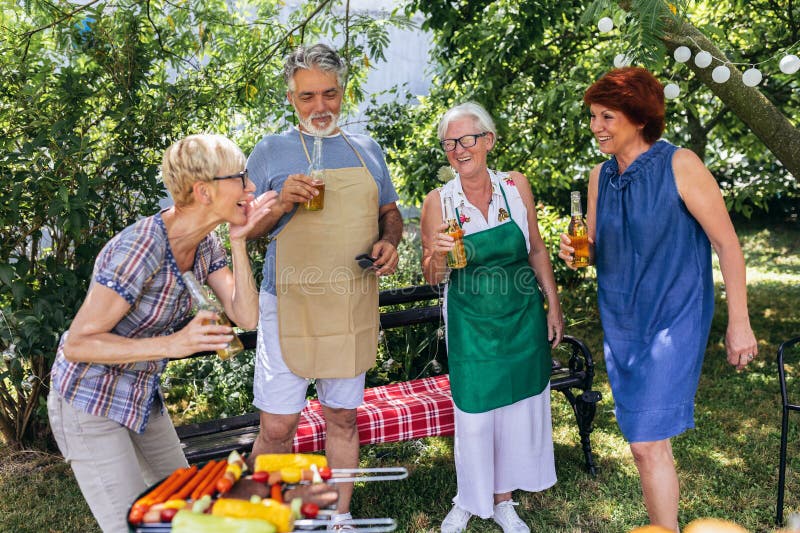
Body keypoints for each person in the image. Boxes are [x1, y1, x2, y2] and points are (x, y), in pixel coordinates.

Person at [559, 67, 758, 531]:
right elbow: (593, 247)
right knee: (641, 442)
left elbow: (728, 244)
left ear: (639, 117)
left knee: (648, 443)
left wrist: (739, 322)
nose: (596, 127)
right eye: (592, 117)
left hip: (675, 315)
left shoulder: (680, 164)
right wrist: (575, 254)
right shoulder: (599, 177)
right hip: (623, 320)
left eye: (607, 117)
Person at [47, 134, 277, 532]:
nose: (251, 187)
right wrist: (173, 344)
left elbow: (246, 316)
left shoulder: (205, 244)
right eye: (241, 177)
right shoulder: (140, 250)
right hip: (89, 403)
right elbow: (79, 344)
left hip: (139, 394)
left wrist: (238, 243)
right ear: (203, 191)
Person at [246, 43, 403, 530]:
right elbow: (242, 231)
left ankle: (338, 517)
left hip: (351, 301)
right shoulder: (270, 151)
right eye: (308, 96)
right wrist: (277, 205)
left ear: (342, 92)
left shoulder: (368, 150)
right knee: (277, 425)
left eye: (329, 94)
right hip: (287, 302)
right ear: (291, 97)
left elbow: (389, 213)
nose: (320, 107)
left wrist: (390, 242)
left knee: (342, 417)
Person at [421, 102, 564, 533]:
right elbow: (432, 275)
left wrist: (553, 304)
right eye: (450, 143)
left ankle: (503, 501)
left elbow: (535, 248)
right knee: (476, 415)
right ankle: (468, 498)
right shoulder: (438, 202)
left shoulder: (515, 187)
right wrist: (439, 256)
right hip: (471, 322)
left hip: (521, 316)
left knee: (516, 410)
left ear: (488, 141)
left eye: (467, 139)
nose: (459, 150)